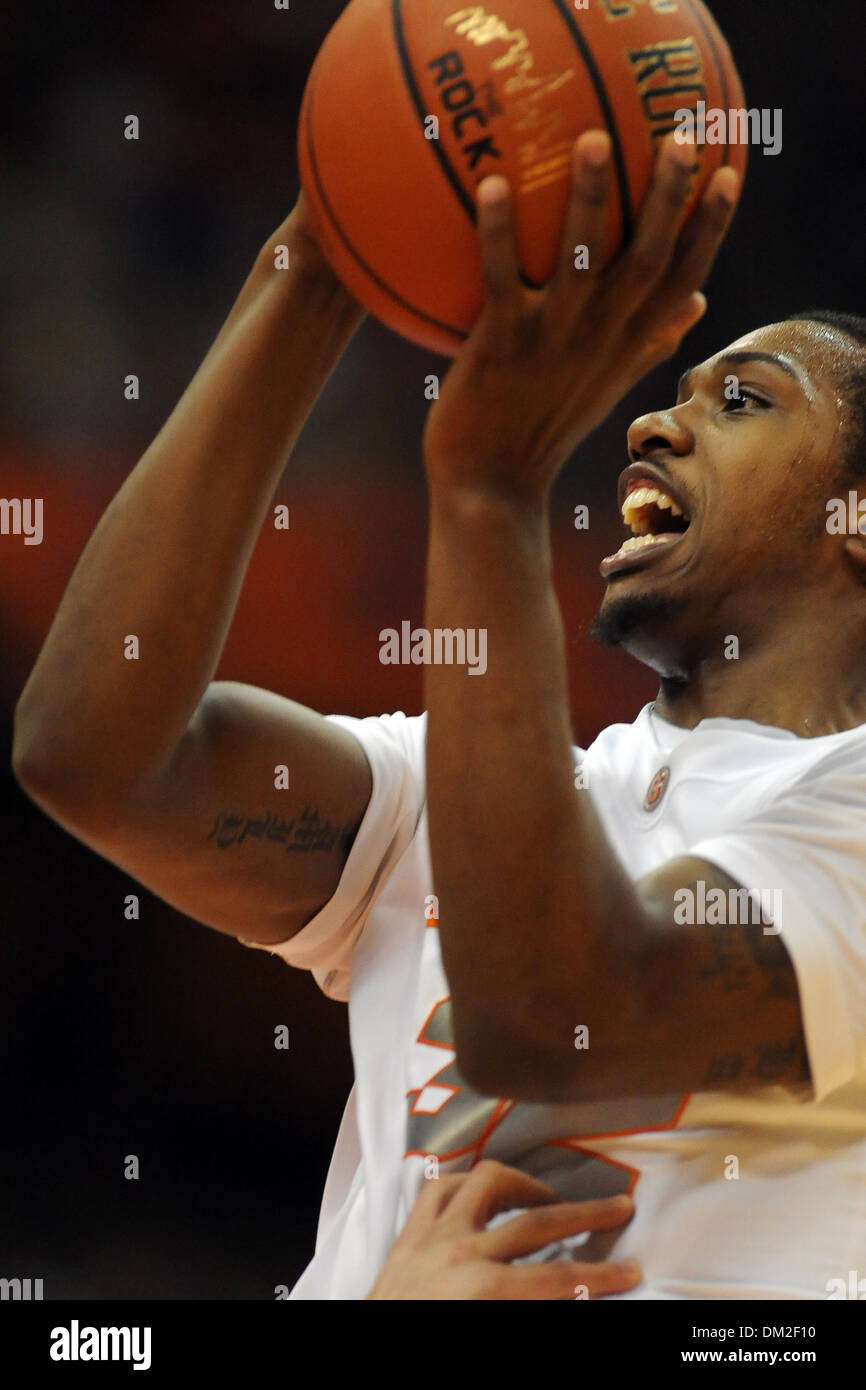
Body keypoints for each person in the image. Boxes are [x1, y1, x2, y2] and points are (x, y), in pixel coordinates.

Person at [14, 127, 865, 1300]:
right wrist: (314, 268)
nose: (649, 426)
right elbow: (94, 755)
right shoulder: (472, 805)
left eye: (738, 400)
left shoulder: (846, 818)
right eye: (671, 394)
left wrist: (491, 488)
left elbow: (555, 1008)